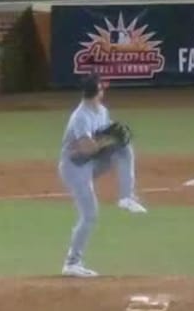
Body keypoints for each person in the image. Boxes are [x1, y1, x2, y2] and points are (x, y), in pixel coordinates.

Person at [57, 73, 147, 278]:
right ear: (97, 92)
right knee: (90, 215)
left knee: (124, 148)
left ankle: (126, 197)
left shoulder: (102, 111)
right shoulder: (80, 117)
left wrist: (113, 139)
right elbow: (86, 149)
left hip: (91, 162)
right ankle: (72, 263)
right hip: (75, 168)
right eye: (101, 88)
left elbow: (104, 135)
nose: (103, 91)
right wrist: (109, 140)